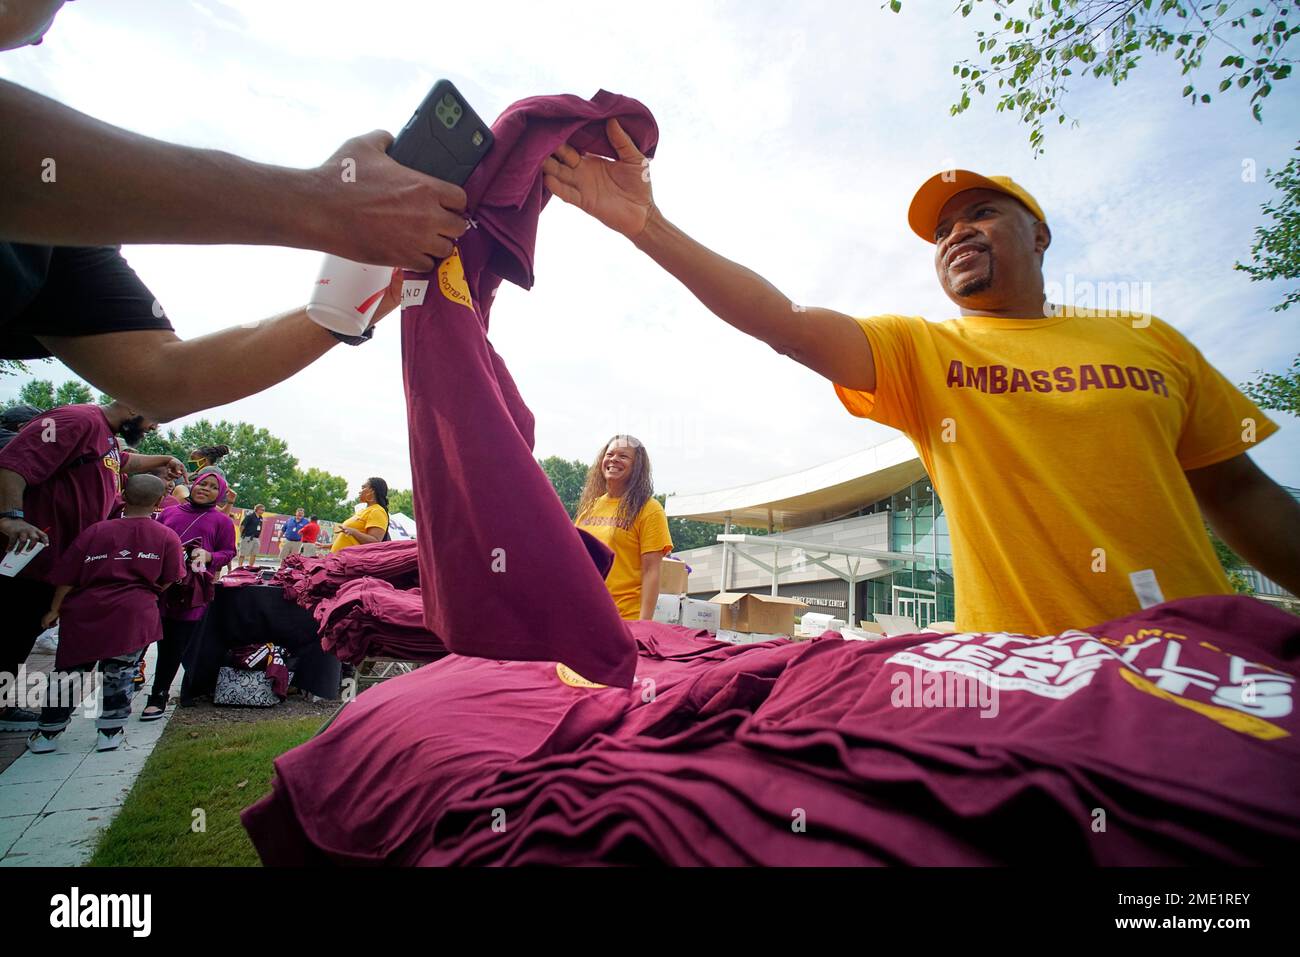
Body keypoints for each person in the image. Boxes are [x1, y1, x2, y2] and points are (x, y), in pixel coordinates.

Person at [544, 128, 1300, 634]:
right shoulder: (924, 352)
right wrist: (649, 224)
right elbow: (785, 320)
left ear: (1039, 232)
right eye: (942, 231)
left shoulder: (1151, 340)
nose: (956, 233)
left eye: (980, 213)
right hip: (1028, 686)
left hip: (1202, 662)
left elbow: (1242, 492)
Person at [1, 5, 469, 422]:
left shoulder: (60, 235)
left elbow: (164, 381)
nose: (44, 33)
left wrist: (358, 307)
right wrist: (322, 202)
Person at [0, 400, 184, 730]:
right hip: (27, 559)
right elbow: (13, 462)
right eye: (154, 418)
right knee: (8, 634)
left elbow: (122, 462)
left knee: (18, 638)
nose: (154, 427)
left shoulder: (106, 437)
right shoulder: (75, 420)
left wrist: (163, 459)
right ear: (131, 404)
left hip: (54, 564)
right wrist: (10, 517)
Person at [26, 474, 185, 754]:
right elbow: (171, 577)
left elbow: (69, 577)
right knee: (121, 673)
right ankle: (109, 733)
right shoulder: (166, 537)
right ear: (160, 501)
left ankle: (47, 734)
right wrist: (146, 592)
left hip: (87, 612)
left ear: (123, 495)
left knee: (69, 673)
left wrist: (54, 609)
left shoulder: (95, 531)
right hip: (133, 614)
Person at [146, 471, 236, 719]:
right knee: (140, 638)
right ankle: (127, 682)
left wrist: (210, 557)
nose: (205, 489)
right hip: (157, 585)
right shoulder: (170, 513)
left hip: (191, 589)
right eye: (202, 484)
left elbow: (229, 551)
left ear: (220, 494)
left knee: (174, 646)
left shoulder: (222, 521)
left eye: (212, 487)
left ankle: (159, 694)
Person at [573, 435, 673, 621]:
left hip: (625, 618)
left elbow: (651, 571)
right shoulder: (589, 508)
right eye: (609, 454)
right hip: (585, 616)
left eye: (623, 456)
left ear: (637, 467)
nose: (614, 459)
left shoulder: (649, 509)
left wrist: (644, 624)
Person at [331, 479, 389, 553]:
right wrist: (330, 545)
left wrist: (354, 532)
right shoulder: (364, 511)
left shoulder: (377, 511)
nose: (360, 492)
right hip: (338, 558)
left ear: (372, 491)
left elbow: (375, 542)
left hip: (349, 561)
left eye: (363, 488)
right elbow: (353, 540)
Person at [237, 504, 265, 569]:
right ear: (257, 509)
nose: (263, 511)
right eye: (262, 510)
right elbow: (242, 526)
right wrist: (242, 535)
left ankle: (250, 567)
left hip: (256, 538)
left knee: (254, 554)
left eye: (264, 510)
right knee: (243, 553)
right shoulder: (249, 516)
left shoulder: (261, 518)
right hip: (247, 537)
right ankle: (239, 566)